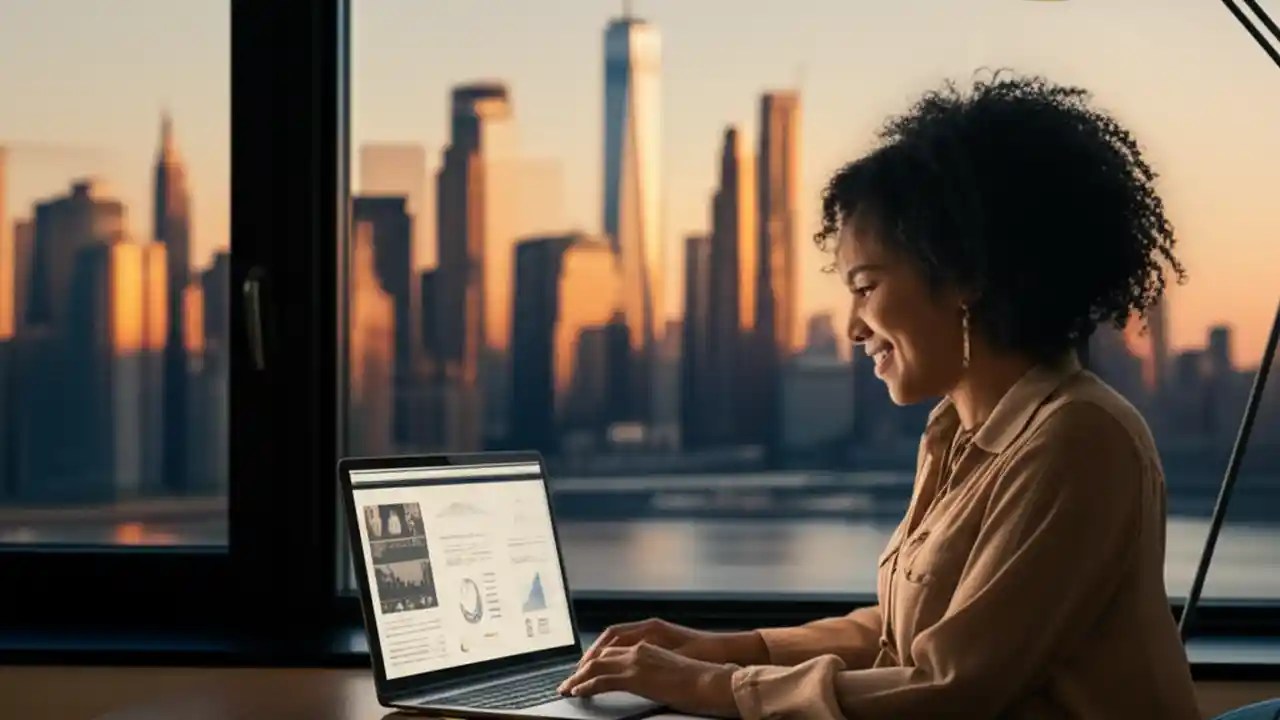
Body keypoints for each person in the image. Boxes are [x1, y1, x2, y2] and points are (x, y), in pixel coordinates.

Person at [557, 71, 1202, 719]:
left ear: (965, 277)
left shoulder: (1078, 439)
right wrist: (724, 648)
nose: (852, 328)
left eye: (865, 287)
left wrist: (707, 686)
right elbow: (903, 634)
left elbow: (951, 685)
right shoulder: (956, 431)